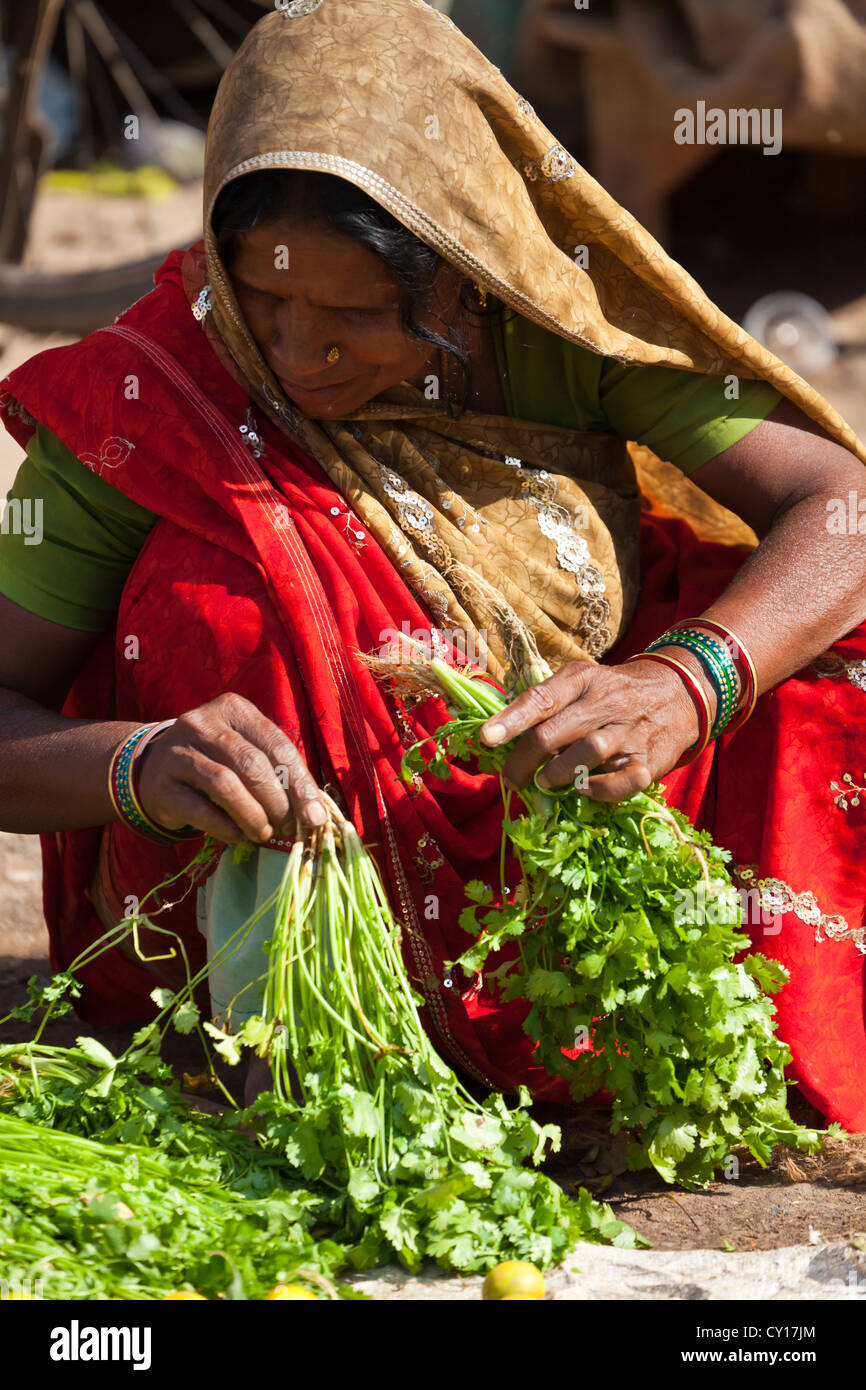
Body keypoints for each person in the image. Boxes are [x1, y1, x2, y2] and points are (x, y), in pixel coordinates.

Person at [1, 0, 865, 1130]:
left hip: (563, 853)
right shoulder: (138, 402)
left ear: (466, 276)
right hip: (257, 953)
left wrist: (679, 684)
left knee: (821, 662)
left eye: (356, 315)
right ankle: (294, 1048)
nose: (298, 353)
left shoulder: (557, 329)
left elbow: (841, 509)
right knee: (224, 589)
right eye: (261, 296)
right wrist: (142, 763)